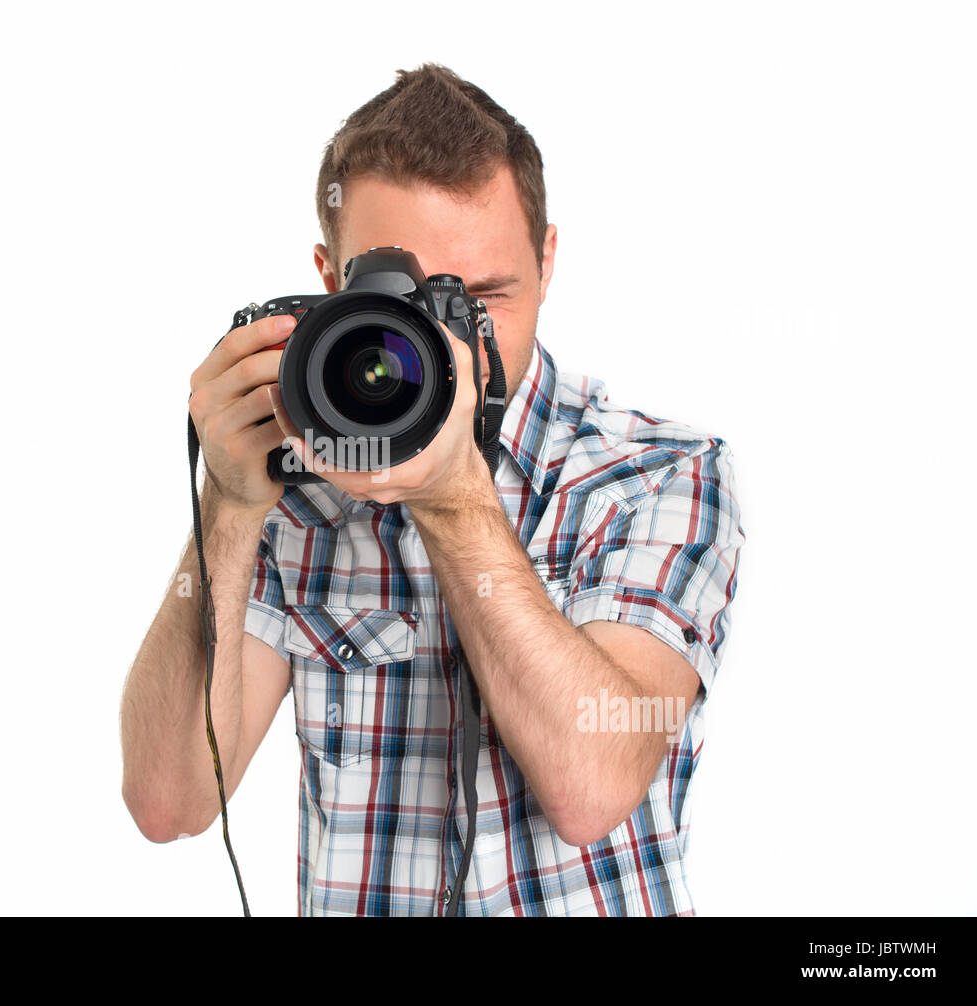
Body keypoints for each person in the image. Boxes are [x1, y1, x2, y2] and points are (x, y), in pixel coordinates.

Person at [121, 63, 744, 916]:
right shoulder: (290, 490)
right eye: (416, 309)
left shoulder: (654, 474)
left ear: (548, 259)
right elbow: (170, 801)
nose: (450, 349)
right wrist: (228, 505)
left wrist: (452, 496)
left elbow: (593, 788)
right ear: (332, 282)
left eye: (481, 297)